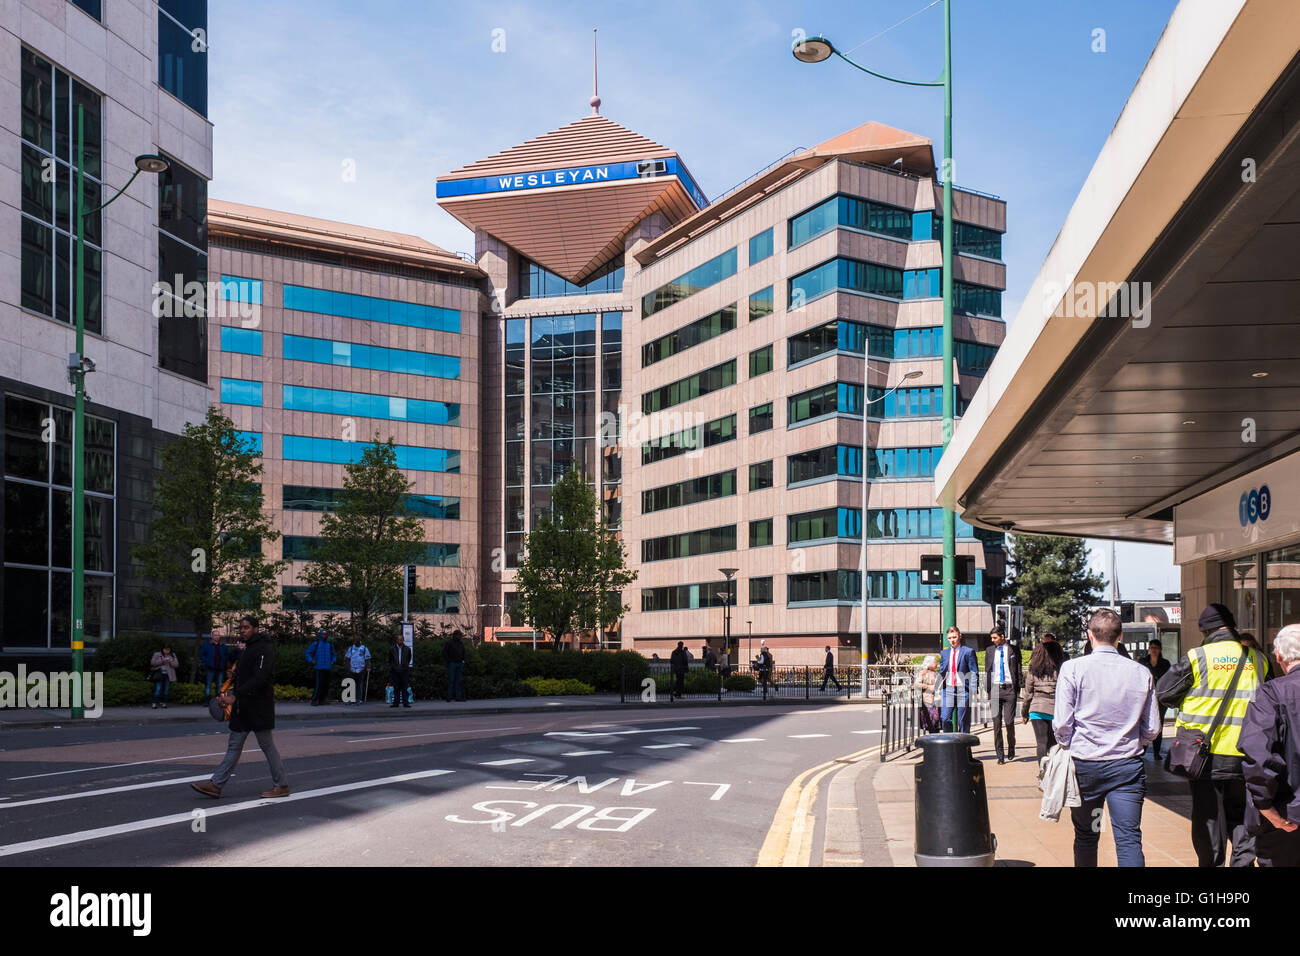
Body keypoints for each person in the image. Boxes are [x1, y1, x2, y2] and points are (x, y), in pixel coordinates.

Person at [1157, 603, 1269, 868]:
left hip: (1204, 756)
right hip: (1246, 755)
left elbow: (1163, 692)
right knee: (1242, 818)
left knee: (1208, 820)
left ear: (1205, 630)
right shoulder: (1258, 659)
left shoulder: (1198, 657)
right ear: (1231, 626)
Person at [1054, 608, 1160, 867]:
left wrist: (1069, 743)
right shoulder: (1140, 672)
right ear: (1120, 636)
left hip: (1086, 768)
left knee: (1088, 834)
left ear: (1090, 635)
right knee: (1128, 838)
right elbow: (1152, 727)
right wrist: (1137, 742)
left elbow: (1062, 724)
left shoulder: (1073, 668)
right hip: (1126, 770)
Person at [192, 616, 290, 799]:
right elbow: (246, 677)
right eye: (241, 628)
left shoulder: (263, 649)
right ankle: (216, 784)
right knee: (234, 745)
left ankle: (282, 785)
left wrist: (235, 696)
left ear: (256, 628)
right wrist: (231, 688)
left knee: (267, 745)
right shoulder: (247, 648)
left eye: (246, 627)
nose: (243, 630)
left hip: (259, 706)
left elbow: (260, 678)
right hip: (243, 706)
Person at [1240, 624, 1300, 867]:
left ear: (1278, 656)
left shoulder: (1270, 694)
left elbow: (1258, 758)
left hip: (1286, 817)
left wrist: (1267, 810)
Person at [1022, 636, 1065, 761]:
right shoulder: (1060, 669)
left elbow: (1028, 693)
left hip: (1037, 708)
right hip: (1055, 709)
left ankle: (1042, 770)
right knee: (1053, 743)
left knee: (1041, 742)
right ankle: (1052, 771)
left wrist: (1025, 712)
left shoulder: (1033, 670)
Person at [985, 625, 1022, 763]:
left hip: (1009, 689)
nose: (992, 640)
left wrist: (1017, 688)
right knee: (996, 724)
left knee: (1009, 721)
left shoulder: (1013, 650)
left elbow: (1017, 669)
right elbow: (988, 671)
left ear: (1002, 636)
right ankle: (999, 754)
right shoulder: (989, 650)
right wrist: (988, 689)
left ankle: (1011, 746)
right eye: (991, 638)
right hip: (995, 689)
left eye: (994, 638)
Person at [937, 626, 977, 733]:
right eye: (949, 638)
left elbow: (974, 672)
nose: (952, 640)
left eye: (954, 637)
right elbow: (941, 671)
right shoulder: (944, 653)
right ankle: (950, 744)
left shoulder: (968, 652)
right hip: (948, 690)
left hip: (963, 690)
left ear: (960, 636)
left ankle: (965, 747)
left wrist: (973, 690)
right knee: (944, 718)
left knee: (963, 721)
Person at [1138, 638, 1171, 759]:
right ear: (1149, 649)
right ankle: (1142, 751)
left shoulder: (1165, 664)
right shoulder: (1142, 662)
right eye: (1152, 647)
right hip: (1146, 698)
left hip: (1160, 699)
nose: (1154, 650)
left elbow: (1169, 680)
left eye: (1156, 648)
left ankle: (1156, 753)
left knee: (1159, 725)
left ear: (1160, 649)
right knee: (1145, 723)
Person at [305, 629, 336, 706]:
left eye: (325, 634)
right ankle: (314, 700)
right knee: (319, 684)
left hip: (328, 667)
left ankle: (323, 700)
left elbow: (334, 654)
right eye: (323, 634)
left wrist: (333, 660)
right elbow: (307, 652)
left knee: (326, 684)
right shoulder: (316, 643)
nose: (324, 636)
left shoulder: (330, 644)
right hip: (319, 667)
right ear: (320, 635)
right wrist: (311, 660)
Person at [199, 630, 229, 704]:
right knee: (208, 684)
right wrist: (207, 661)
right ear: (212, 636)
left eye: (218, 635)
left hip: (220, 668)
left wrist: (224, 662)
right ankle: (207, 701)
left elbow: (226, 655)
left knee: (219, 685)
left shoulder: (223, 646)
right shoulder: (207, 645)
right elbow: (201, 655)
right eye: (215, 635)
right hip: (210, 668)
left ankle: (218, 701)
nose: (217, 636)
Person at [149, 644, 179, 709]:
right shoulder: (157, 654)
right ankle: (154, 703)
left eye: (168, 649)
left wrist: (171, 661)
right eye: (165, 649)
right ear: (162, 649)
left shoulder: (172, 655)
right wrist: (162, 661)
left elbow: (176, 665)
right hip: (159, 674)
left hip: (168, 675)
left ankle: (164, 703)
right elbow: (152, 663)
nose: (166, 651)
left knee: (166, 690)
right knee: (158, 689)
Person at [915, 655, 939, 733]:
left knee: (936, 721)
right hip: (927, 700)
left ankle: (935, 736)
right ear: (929, 663)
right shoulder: (923, 672)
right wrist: (928, 687)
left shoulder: (936, 673)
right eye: (935, 662)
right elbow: (916, 684)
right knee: (931, 721)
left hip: (936, 700)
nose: (937, 664)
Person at [343, 636, 371, 705]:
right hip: (352, 669)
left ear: (360, 641)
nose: (356, 641)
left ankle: (359, 699)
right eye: (355, 640)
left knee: (359, 685)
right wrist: (348, 668)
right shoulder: (351, 648)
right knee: (351, 684)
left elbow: (367, 659)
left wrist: (367, 667)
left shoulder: (364, 648)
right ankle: (352, 699)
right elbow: (347, 659)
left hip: (361, 669)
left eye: (358, 640)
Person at [389, 634, 412, 708]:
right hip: (395, 671)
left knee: (405, 687)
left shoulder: (407, 649)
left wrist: (404, 666)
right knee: (396, 687)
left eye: (401, 639)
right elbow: (390, 659)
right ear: (396, 640)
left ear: (403, 640)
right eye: (399, 639)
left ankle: (406, 703)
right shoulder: (392, 649)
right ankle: (396, 703)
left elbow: (408, 658)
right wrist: (394, 667)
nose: (400, 641)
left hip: (404, 670)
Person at [444, 632, 466, 702]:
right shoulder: (449, 643)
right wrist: (449, 661)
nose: (460, 637)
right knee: (451, 680)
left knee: (459, 681)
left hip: (459, 663)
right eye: (459, 635)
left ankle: (458, 697)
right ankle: (449, 697)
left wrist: (463, 660)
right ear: (455, 635)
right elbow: (445, 653)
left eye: (460, 635)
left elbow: (463, 652)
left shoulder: (460, 643)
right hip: (452, 663)